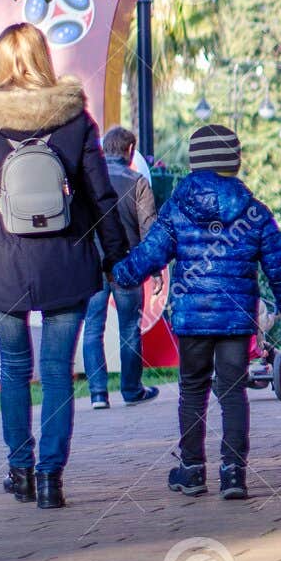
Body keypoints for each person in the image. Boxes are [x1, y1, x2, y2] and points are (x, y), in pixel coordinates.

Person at [0, 23, 129, 509]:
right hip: (67, 263)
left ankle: (19, 471)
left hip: (3, 267)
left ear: (2, 62)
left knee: (13, 369)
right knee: (59, 372)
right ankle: (50, 480)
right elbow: (101, 198)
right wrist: (120, 259)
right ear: (44, 58)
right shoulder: (75, 120)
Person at [114, 125, 281, 500]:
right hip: (235, 320)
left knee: (193, 390)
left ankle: (192, 469)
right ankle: (233, 473)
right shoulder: (253, 210)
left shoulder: (178, 208)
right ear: (234, 160)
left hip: (192, 317)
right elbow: (280, 263)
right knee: (232, 392)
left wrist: (119, 273)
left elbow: (151, 253)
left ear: (195, 159)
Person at [82, 125, 160, 409]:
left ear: (105, 150)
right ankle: (131, 390)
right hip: (128, 264)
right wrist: (155, 270)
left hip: (92, 264)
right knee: (129, 328)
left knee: (92, 328)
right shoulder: (138, 182)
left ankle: (98, 394)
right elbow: (149, 229)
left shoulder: (88, 182)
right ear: (129, 151)